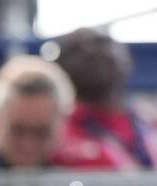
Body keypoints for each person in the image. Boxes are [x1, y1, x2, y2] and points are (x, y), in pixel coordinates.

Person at [52, 28, 157, 172]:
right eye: (82, 50)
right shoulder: (56, 127)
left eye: (104, 45)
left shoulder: (145, 122)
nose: (98, 53)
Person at [0, 56, 75, 170]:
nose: (29, 145)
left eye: (41, 133)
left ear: (62, 123)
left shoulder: (78, 182)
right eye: (17, 131)